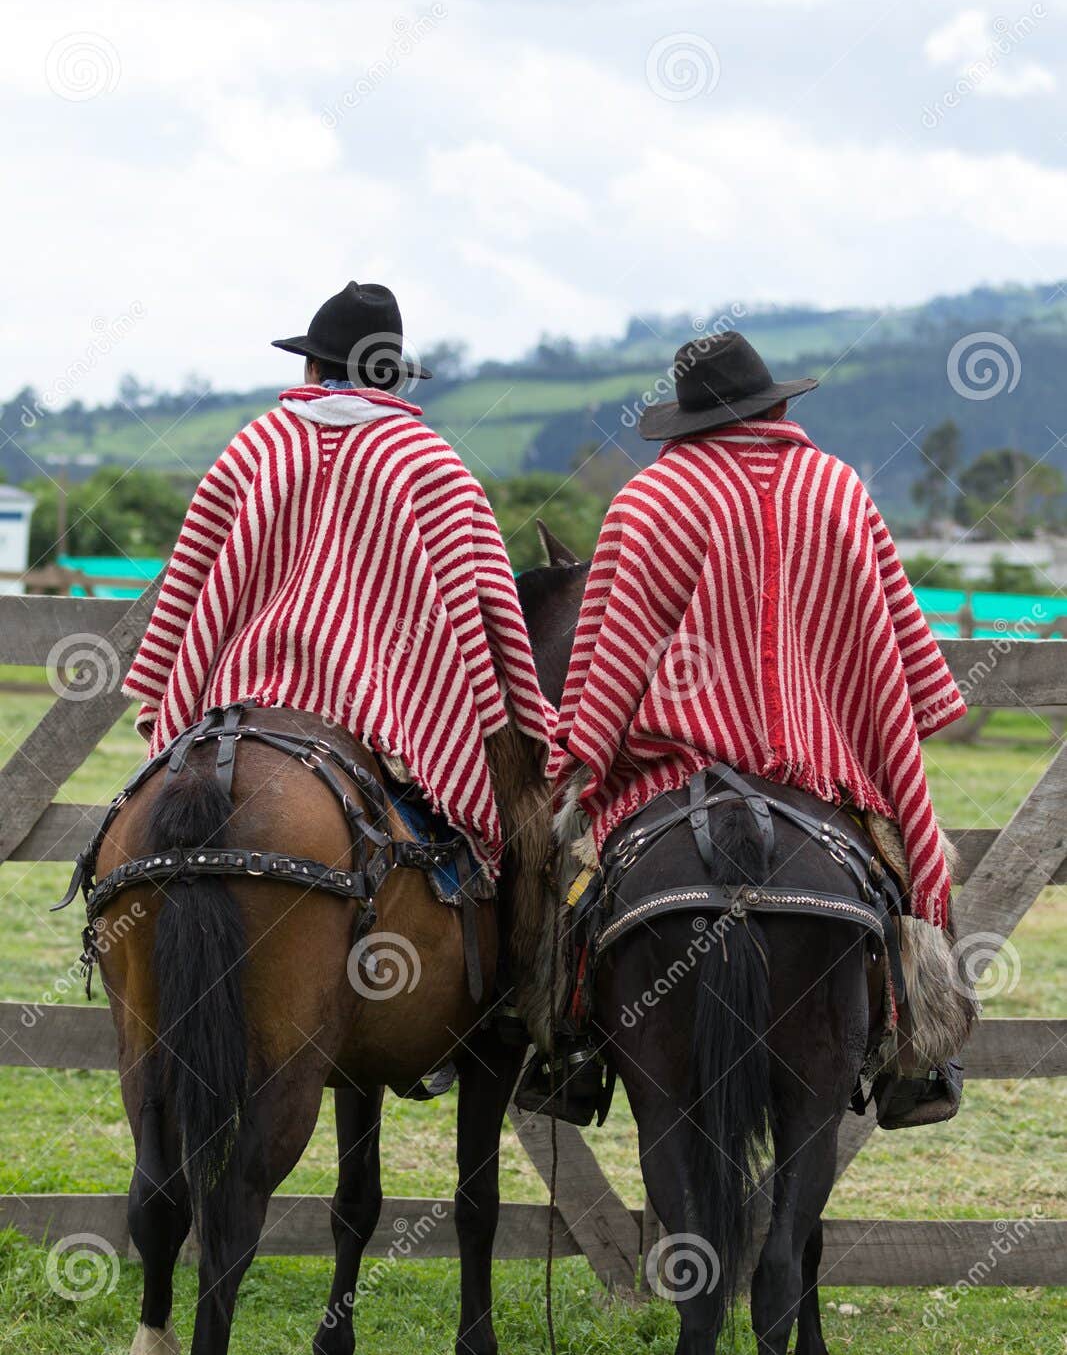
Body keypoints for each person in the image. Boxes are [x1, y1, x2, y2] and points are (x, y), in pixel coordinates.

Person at [539, 330, 973, 1124]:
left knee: (569, 883)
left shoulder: (648, 501)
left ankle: (566, 1045)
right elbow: (895, 654)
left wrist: (584, 757)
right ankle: (920, 1050)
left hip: (675, 774)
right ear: (774, 405)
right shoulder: (839, 489)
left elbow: (614, 656)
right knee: (919, 865)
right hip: (824, 765)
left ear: (689, 420)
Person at [122, 281, 556, 1015]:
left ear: (312, 370)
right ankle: (512, 1003)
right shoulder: (432, 466)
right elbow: (486, 609)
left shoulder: (252, 448)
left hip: (238, 693)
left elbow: (190, 586)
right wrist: (508, 713)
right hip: (388, 717)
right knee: (506, 831)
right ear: (391, 376)